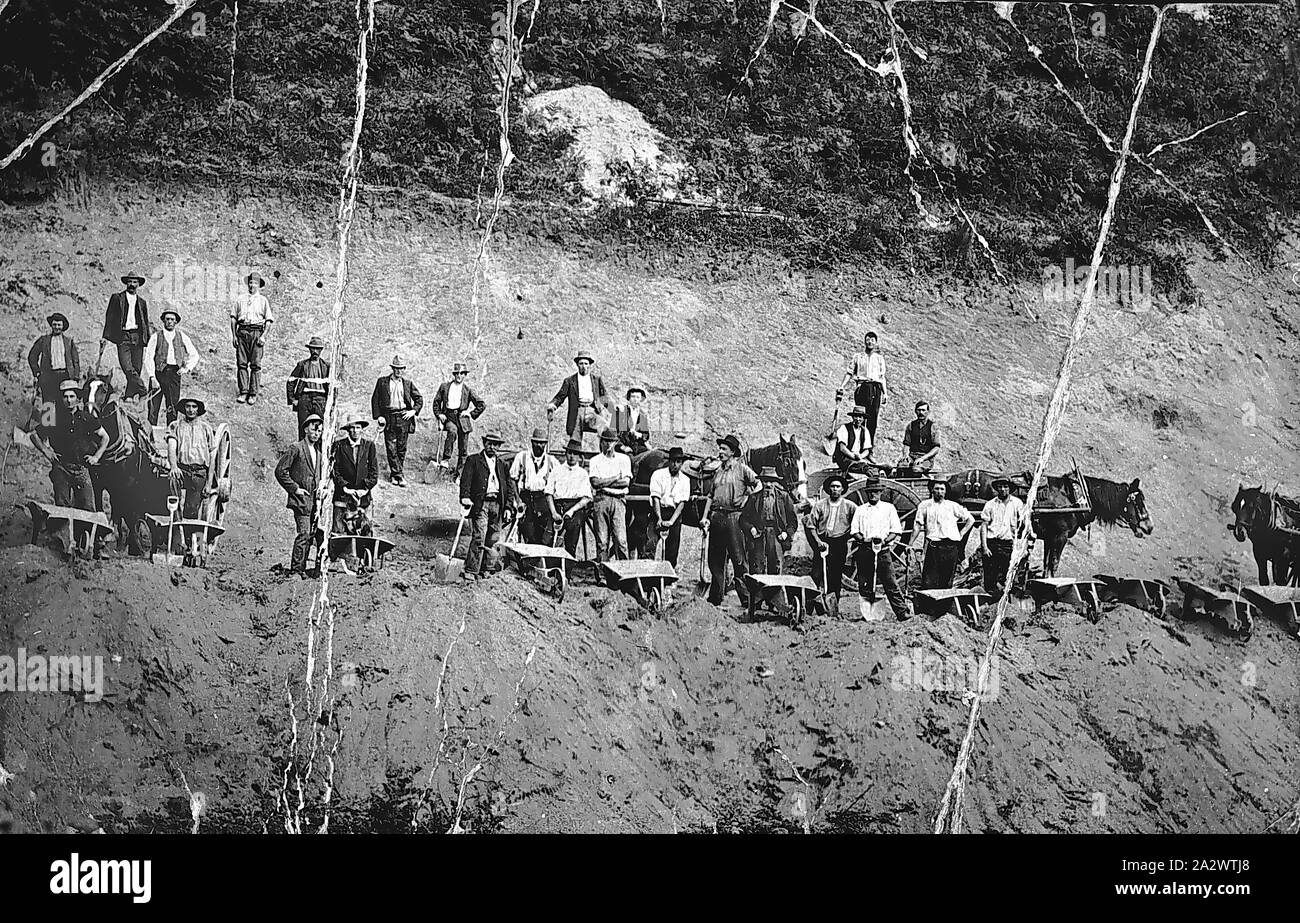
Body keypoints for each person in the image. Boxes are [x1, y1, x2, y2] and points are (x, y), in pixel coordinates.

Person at [30, 380, 109, 511]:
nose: (68, 400)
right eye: (65, 397)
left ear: (78, 398)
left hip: (81, 469)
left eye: (72, 396)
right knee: (62, 508)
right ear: (61, 399)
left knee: (88, 508)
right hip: (61, 468)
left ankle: (84, 532)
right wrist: (46, 451)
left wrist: (96, 457)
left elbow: (105, 437)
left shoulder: (87, 418)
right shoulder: (53, 417)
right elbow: (34, 435)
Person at [703, 434, 760, 608]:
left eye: (724, 449)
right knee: (715, 559)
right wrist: (705, 517)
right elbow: (710, 496)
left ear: (733, 452)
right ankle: (715, 598)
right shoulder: (718, 471)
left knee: (739, 559)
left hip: (735, 518)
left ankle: (747, 600)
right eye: (720, 448)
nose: (720, 452)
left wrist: (746, 499)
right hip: (717, 517)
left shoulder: (742, 470)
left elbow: (759, 485)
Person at [849, 477, 909, 620]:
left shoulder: (889, 508)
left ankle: (901, 612)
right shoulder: (860, 510)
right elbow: (854, 531)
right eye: (870, 492)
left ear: (881, 492)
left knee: (890, 581)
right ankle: (867, 614)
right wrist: (864, 539)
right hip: (865, 550)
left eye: (876, 492)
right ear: (866, 493)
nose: (873, 495)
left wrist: (884, 541)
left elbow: (895, 530)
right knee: (865, 582)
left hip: (882, 551)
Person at [459, 431, 516, 578]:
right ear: (484, 443)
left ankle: (486, 568)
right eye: (489, 443)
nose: (492, 447)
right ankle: (472, 570)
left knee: (493, 537)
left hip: (497, 504)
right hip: (481, 503)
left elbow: (509, 488)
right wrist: (465, 497)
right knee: (479, 535)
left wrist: (508, 507)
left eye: (495, 444)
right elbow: (465, 481)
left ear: (499, 447)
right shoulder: (474, 460)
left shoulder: (503, 464)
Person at [275, 413, 325, 576]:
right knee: (303, 534)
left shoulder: (318, 453)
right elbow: (281, 471)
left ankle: (313, 570)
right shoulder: (296, 448)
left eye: (319, 431)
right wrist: (295, 488)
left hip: (316, 504)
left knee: (314, 536)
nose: (316, 433)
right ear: (305, 429)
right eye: (313, 429)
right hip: (301, 501)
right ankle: (296, 570)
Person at [805, 473, 857, 619]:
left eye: (838, 487)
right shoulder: (820, 505)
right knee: (816, 574)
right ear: (829, 489)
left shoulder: (850, 506)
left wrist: (848, 536)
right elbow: (811, 526)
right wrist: (818, 542)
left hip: (839, 544)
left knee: (835, 576)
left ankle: (833, 608)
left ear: (842, 489)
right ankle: (809, 607)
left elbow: (857, 524)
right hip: (822, 543)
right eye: (832, 487)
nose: (835, 489)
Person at [370, 355, 423, 487]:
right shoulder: (382, 382)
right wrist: (379, 416)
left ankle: (395, 475)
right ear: (392, 368)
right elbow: (375, 399)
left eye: (401, 368)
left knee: (401, 448)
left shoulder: (408, 384)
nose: (399, 371)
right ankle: (399, 475)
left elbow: (419, 399)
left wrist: (413, 411)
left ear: (404, 369)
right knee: (391, 447)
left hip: (404, 418)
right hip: (389, 417)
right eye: (396, 368)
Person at [142, 309, 199, 426]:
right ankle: (150, 436)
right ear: (163, 320)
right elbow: (148, 358)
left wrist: (186, 368)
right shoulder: (155, 337)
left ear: (176, 322)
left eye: (172, 319)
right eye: (167, 319)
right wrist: (152, 377)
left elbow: (195, 355)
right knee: (153, 406)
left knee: (173, 407)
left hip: (174, 374)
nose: (169, 322)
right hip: (159, 374)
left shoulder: (181, 336)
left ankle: (171, 436)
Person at [916, 479, 974, 590]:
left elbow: (970, 519)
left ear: (946, 491)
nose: (939, 491)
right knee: (929, 581)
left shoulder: (952, 506)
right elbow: (918, 526)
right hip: (933, 547)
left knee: (946, 581)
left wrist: (961, 534)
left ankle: (944, 607)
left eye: (942, 489)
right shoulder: (925, 505)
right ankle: (929, 607)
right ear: (932, 490)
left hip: (950, 547)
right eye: (937, 488)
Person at [101, 272, 151, 400]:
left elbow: (145, 322)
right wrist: (105, 337)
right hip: (123, 336)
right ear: (126, 283)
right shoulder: (117, 298)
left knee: (137, 369)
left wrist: (147, 340)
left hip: (137, 337)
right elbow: (110, 317)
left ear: (138, 284)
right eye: (130, 281)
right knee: (128, 368)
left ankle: (129, 397)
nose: (132, 284)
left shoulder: (142, 302)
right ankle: (143, 390)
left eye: (134, 282)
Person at [165, 397, 216, 520]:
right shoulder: (175, 426)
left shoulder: (206, 428)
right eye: (188, 406)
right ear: (184, 408)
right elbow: (172, 446)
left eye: (194, 407)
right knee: (172, 479)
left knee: (192, 509)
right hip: (182, 469)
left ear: (198, 410)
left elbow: (212, 456)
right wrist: (173, 467)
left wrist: (209, 483)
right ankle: (176, 519)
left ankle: (189, 534)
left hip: (199, 472)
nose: (190, 410)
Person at [741, 465, 797, 576]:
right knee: (757, 567)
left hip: (776, 534)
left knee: (775, 566)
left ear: (775, 482)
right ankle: (758, 592)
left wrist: (786, 533)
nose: (768, 484)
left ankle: (774, 592)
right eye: (765, 481)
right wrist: (751, 528)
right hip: (759, 534)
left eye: (771, 481)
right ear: (761, 481)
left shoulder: (784, 497)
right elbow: (743, 519)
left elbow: (793, 521)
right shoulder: (754, 498)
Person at [432, 361, 486, 474]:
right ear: (454, 374)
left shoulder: (468, 390)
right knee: (452, 431)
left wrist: (470, 413)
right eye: (457, 373)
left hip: (463, 419)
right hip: (449, 417)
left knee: (463, 449)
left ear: (465, 375)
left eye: (462, 373)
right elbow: (436, 402)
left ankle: (460, 474)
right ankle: (445, 459)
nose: (459, 376)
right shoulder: (445, 387)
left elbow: (481, 404)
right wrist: (439, 415)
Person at [330, 411, 379, 536]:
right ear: (348, 430)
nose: (355, 431)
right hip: (343, 496)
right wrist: (346, 488)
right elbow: (335, 470)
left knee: (365, 531)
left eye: (358, 427)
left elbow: (374, 473)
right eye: (352, 427)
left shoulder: (369, 446)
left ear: (362, 429)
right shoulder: (339, 445)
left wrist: (365, 489)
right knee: (339, 532)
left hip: (363, 497)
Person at [981, 476, 1031, 595]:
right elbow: (984, 526)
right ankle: (990, 603)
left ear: (1009, 488)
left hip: (1008, 544)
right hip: (992, 543)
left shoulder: (1017, 504)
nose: (1003, 489)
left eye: (1005, 486)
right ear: (997, 489)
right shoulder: (990, 504)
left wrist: (1023, 546)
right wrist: (985, 546)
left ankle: (1006, 604)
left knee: (1007, 575)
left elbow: (1025, 524)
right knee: (990, 577)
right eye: (1000, 487)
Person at [588, 427, 632, 561]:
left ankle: (623, 574)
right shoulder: (595, 460)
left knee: (621, 540)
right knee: (602, 541)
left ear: (616, 442)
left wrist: (605, 482)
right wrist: (615, 478)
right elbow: (595, 483)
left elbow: (625, 482)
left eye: (611, 441)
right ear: (601, 442)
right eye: (605, 441)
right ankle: (602, 575)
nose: (608, 444)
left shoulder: (624, 459)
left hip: (618, 501)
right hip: (601, 500)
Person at [230, 271, 274, 404]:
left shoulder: (263, 300)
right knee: (241, 363)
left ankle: (253, 393)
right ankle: (243, 392)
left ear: (259, 285)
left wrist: (264, 336)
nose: (252, 285)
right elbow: (233, 318)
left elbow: (269, 320)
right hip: (242, 332)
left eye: (255, 283)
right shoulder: (240, 299)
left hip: (256, 333)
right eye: (250, 282)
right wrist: (234, 336)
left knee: (256, 365)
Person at [837, 331, 888, 442]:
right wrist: (842, 386)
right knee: (860, 417)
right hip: (862, 388)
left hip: (875, 390)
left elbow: (882, 377)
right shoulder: (858, 357)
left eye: (872, 340)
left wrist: (885, 393)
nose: (870, 342)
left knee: (872, 419)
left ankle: (868, 449)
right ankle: (856, 444)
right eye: (868, 339)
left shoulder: (879, 359)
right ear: (865, 341)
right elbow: (849, 373)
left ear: (876, 343)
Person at [510, 427, 558, 545]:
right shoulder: (522, 457)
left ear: (545, 444)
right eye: (536, 442)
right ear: (532, 443)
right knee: (529, 535)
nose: (539, 445)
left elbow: (559, 480)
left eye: (542, 443)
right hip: (527, 498)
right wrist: (518, 500)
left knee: (544, 538)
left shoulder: (551, 461)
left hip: (543, 500)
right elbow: (512, 479)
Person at [546, 348, 609, 437]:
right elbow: (560, 397)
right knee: (575, 440)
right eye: (581, 364)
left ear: (590, 365)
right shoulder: (570, 381)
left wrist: (611, 407)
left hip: (592, 411)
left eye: (586, 364)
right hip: (577, 411)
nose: (583, 366)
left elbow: (605, 397)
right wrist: (553, 405)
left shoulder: (596, 380)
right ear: (577, 365)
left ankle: (601, 450)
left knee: (604, 429)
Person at [549, 438, 594, 556]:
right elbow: (548, 493)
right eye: (570, 453)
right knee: (549, 540)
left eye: (575, 454)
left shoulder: (582, 474)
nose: (572, 456)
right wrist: (554, 512)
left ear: (579, 457)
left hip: (575, 508)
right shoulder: (556, 471)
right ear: (565, 454)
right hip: (557, 506)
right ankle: (552, 568)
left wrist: (572, 511)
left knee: (571, 542)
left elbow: (587, 498)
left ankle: (567, 571)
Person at [28, 313, 80, 414]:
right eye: (54, 324)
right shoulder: (44, 340)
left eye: (59, 325)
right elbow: (32, 357)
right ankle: (47, 428)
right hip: (49, 377)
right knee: (48, 403)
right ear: (51, 325)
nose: (56, 327)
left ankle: (63, 428)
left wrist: (75, 377)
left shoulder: (69, 341)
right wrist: (37, 373)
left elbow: (75, 361)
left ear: (63, 326)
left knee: (65, 402)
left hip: (66, 376)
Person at [647, 447, 691, 566]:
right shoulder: (658, 474)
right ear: (669, 461)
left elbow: (682, 503)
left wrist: (671, 521)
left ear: (681, 463)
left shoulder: (685, 480)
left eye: (678, 462)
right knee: (650, 543)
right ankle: (647, 577)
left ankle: (668, 578)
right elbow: (655, 497)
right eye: (673, 461)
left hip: (674, 514)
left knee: (672, 548)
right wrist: (659, 519)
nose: (675, 465)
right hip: (659, 511)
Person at [287, 336, 331, 438]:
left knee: (320, 428)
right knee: (304, 427)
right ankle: (303, 452)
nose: (315, 351)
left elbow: (333, 386)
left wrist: (331, 403)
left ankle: (318, 453)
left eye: (318, 349)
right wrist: (293, 399)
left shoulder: (327, 366)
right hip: (305, 398)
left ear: (321, 350)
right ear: (309, 349)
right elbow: (291, 381)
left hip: (321, 399)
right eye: (313, 348)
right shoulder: (302, 365)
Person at [899, 400, 941, 473]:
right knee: (902, 466)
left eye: (923, 410)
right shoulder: (911, 426)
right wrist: (905, 455)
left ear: (928, 412)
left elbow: (936, 448)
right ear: (915, 411)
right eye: (919, 410)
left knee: (917, 469)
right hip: (912, 457)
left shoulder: (933, 427)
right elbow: (907, 444)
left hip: (927, 460)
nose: (921, 412)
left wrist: (923, 458)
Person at [833, 404, 873, 475]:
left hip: (858, 457)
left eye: (860, 417)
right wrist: (853, 456)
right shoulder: (844, 428)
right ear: (852, 417)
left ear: (863, 419)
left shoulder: (865, 431)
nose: (858, 419)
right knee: (863, 468)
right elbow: (842, 448)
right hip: (845, 457)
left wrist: (860, 456)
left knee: (874, 468)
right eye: (856, 416)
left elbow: (866, 450)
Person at [612, 387, 651, 454]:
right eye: (633, 397)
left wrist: (639, 435)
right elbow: (614, 432)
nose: (635, 399)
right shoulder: (621, 412)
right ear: (629, 398)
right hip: (622, 445)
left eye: (638, 397)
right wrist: (622, 447)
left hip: (638, 446)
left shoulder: (643, 415)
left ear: (641, 399)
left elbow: (646, 435)